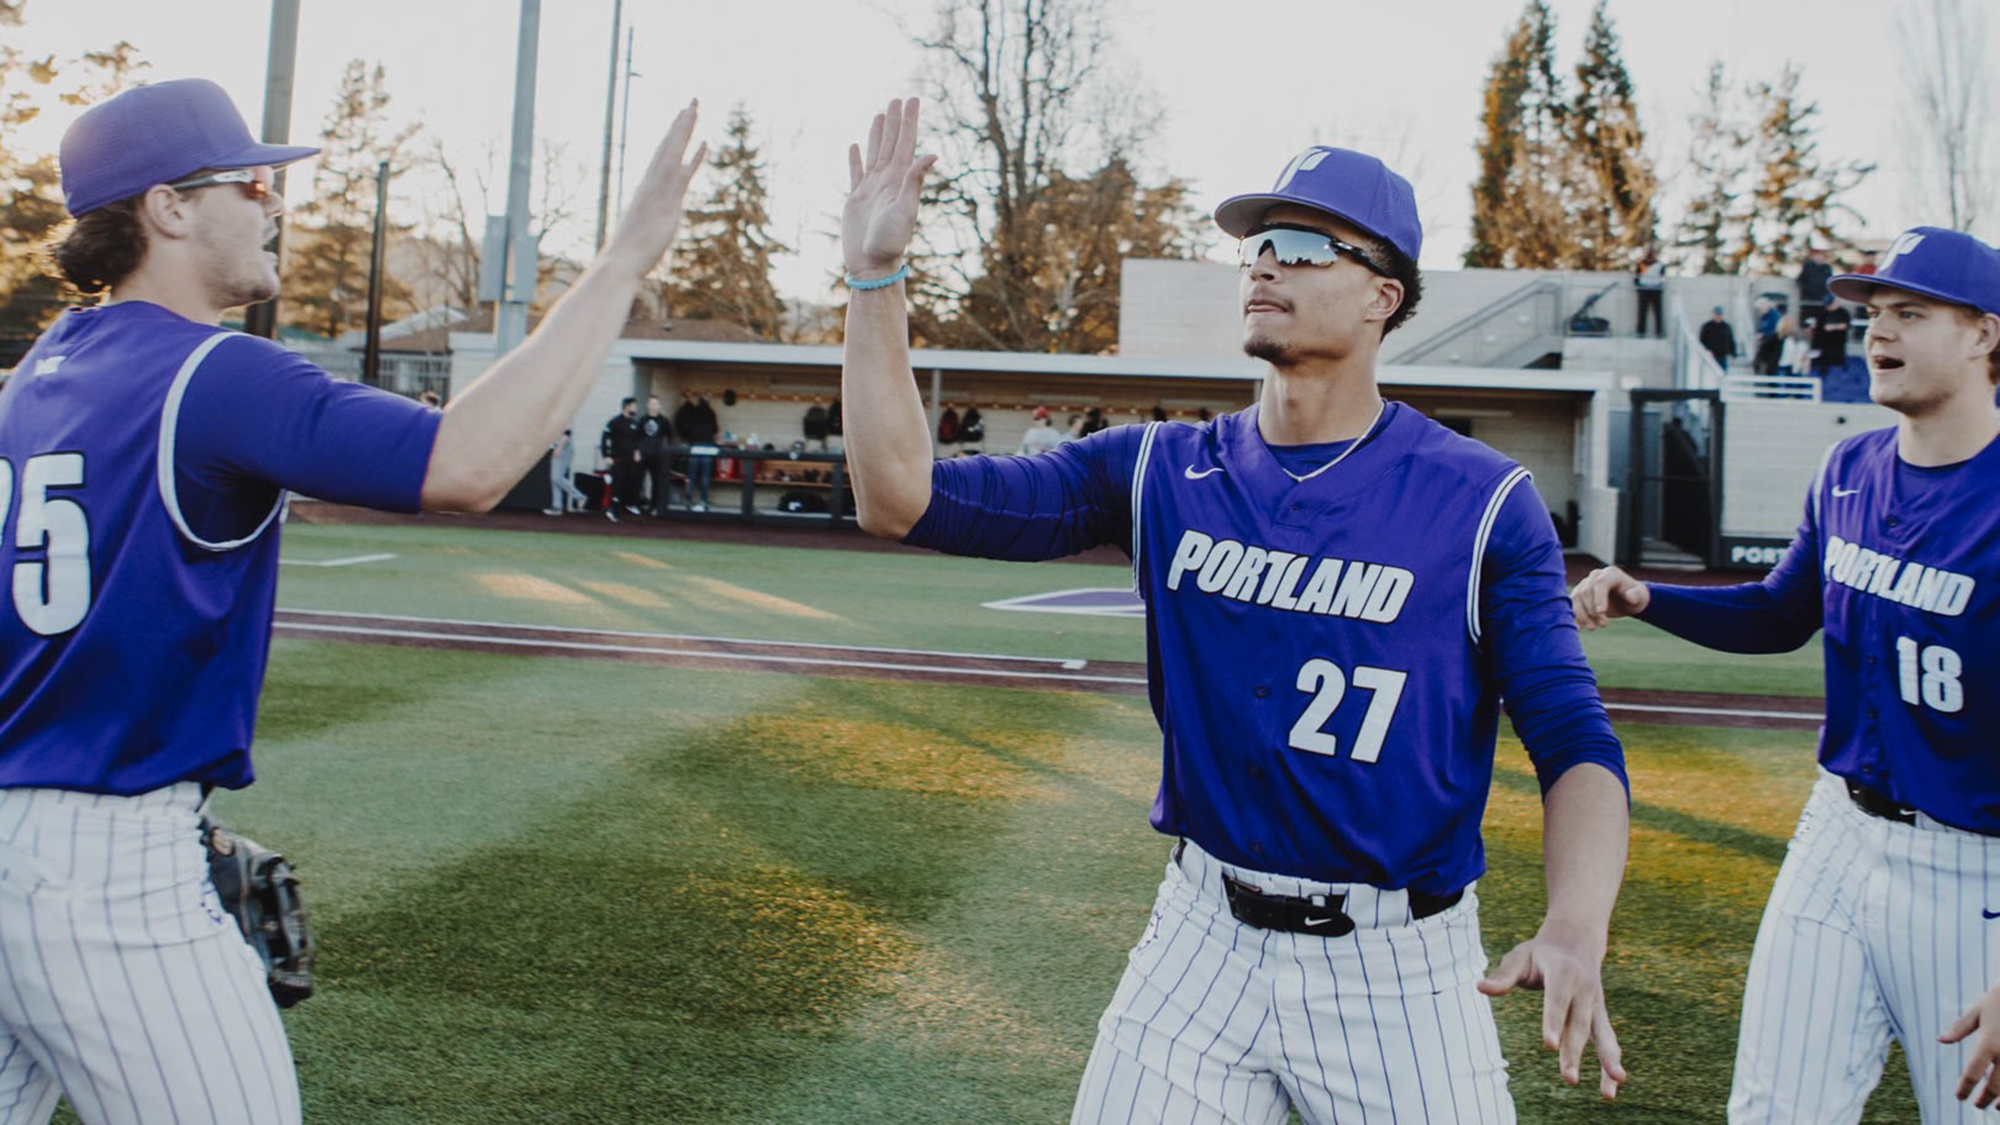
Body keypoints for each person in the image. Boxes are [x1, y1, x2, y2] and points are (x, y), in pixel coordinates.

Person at [838, 97, 1630, 1122]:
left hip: (1400, 972)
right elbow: (899, 497)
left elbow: (1573, 740)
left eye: (1302, 246)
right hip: (1197, 944)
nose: (1264, 264)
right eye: (1258, 245)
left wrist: (1575, 924)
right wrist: (873, 276)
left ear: (1380, 297)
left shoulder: (1480, 503)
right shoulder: (1161, 467)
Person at [0, 79, 704, 1124]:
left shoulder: (39, 370)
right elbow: (467, 462)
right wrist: (618, 264)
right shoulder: (215, 372)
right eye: (248, 181)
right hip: (102, 867)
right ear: (168, 208)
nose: (272, 201)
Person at [1572, 226, 2000, 1123]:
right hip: (1836, 838)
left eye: (1909, 313)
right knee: (1774, 1108)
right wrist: (1651, 597)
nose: (1877, 333)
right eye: (1872, 313)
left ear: (1984, 334)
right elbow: (1779, 612)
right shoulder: (1848, 469)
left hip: (1979, 879)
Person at [601, 396, 643, 515]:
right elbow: (604, 439)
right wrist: (606, 455)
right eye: (634, 406)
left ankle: (630, 504)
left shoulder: (634, 423)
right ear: (627, 407)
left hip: (631, 459)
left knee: (632, 482)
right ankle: (612, 509)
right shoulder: (614, 422)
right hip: (618, 458)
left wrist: (637, 451)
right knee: (617, 483)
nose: (635, 408)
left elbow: (636, 441)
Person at [638, 393, 673, 515]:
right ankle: (638, 504)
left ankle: (654, 506)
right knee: (638, 480)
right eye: (651, 403)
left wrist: (666, 452)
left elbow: (670, 437)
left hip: (657, 455)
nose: (653, 406)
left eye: (655, 404)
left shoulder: (663, 421)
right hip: (644, 454)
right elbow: (637, 437)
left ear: (659, 406)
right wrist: (637, 451)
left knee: (656, 482)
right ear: (647, 405)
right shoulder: (642, 420)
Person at [545, 427, 588, 515]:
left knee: (557, 478)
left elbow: (567, 432)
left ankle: (580, 497)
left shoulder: (561, 415)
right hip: (558, 446)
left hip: (564, 447)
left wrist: (559, 447)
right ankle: (557, 507)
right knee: (555, 479)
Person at [1813, 301, 1853, 375]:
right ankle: (1823, 372)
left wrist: (1833, 327)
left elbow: (1846, 325)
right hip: (1824, 340)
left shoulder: (1842, 312)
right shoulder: (1822, 313)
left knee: (1838, 358)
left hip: (1838, 340)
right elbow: (1817, 325)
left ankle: (1840, 373)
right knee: (1823, 359)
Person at [1798, 245, 1834, 328]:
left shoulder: (1826, 268)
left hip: (1822, 301)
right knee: (1806, 323)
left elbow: (1829, 282)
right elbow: (1801, 281)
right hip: (1808, 300)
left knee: (1821, 323)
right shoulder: (1808, 267)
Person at [1634, 252, 1666, 337]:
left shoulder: (1659, 265)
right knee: (1642, 312)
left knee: (1658, 312)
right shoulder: (1641, 264)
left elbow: (1663, 276)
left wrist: (1661, 286)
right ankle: (1640, 332)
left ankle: (1659, 332)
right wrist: (1638, 286)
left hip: (1656, 289)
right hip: (1644, 289)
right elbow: (1637, 276)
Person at [1701, 306, 1740, 370]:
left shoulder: (1726, 326)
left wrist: (1733, 355)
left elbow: (1730, 341)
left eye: (1719, 315)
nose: (1718, 317)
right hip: (1711, 356)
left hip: (1722, 357)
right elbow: (1702, 341)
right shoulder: (1707, 326)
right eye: (1716, 315)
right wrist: (1707, 350)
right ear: (1713, 314)